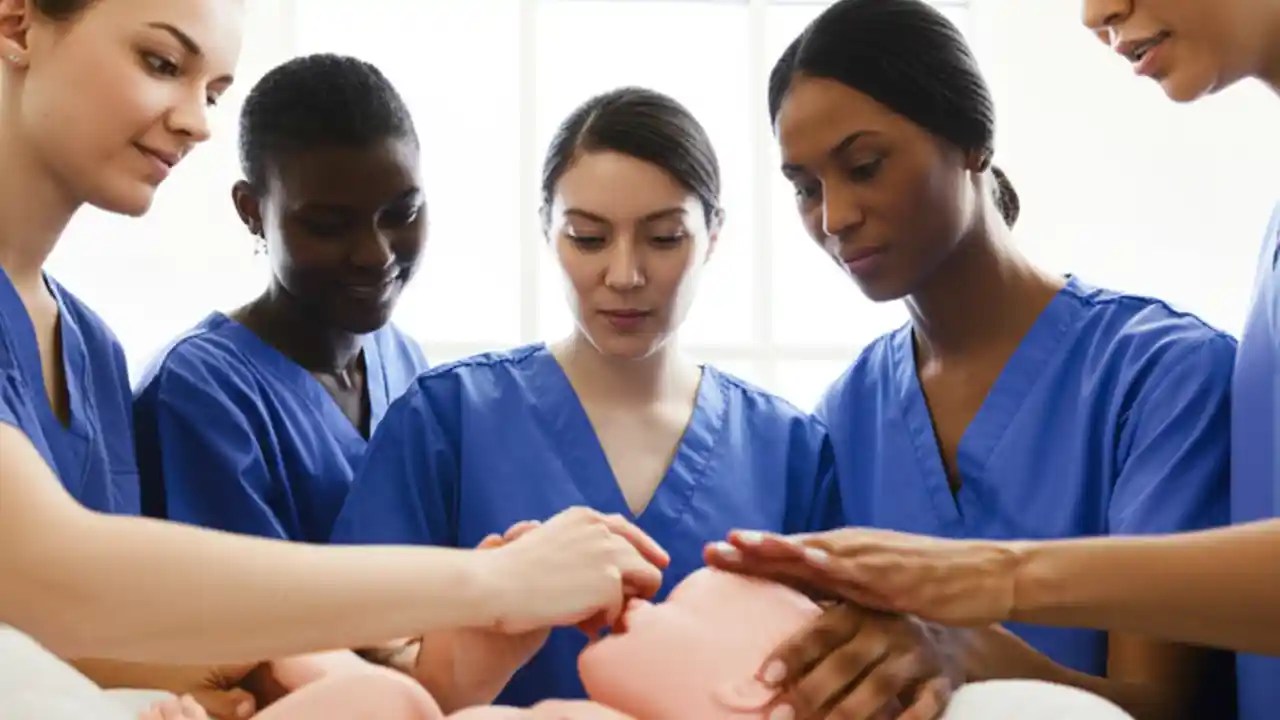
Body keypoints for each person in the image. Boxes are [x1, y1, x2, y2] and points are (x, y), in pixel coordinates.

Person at [0, 0, 666, 705]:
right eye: (161, 64)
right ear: (16, 25)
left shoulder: (91, 349)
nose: (198, 122)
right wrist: (490, 586)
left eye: (214, 93)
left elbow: (98, 640)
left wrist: (212, 685)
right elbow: (53, 578)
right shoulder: (201, 382)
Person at [707, 0, 1280, 718]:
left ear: (972, 142)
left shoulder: (1159, 377)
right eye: (804, 188)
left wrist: (976, 657)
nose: (835, 217)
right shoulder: (844, 418)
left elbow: (1167, 706)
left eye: (864, 165)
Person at [329, 86, 842, 708]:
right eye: (589, 238)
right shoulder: (447, 419)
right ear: (548, 229)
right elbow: (357, 667)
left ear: (713, 234)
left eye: (663, 238)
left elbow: (831, 677)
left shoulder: (789, 451)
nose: (624, 275)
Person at [134, 52, 428, 544]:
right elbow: (241, 607)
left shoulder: (403, 361)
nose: (375, 255)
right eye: (329, 226)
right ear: (252, 211)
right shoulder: (199, 391)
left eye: (402, 212)